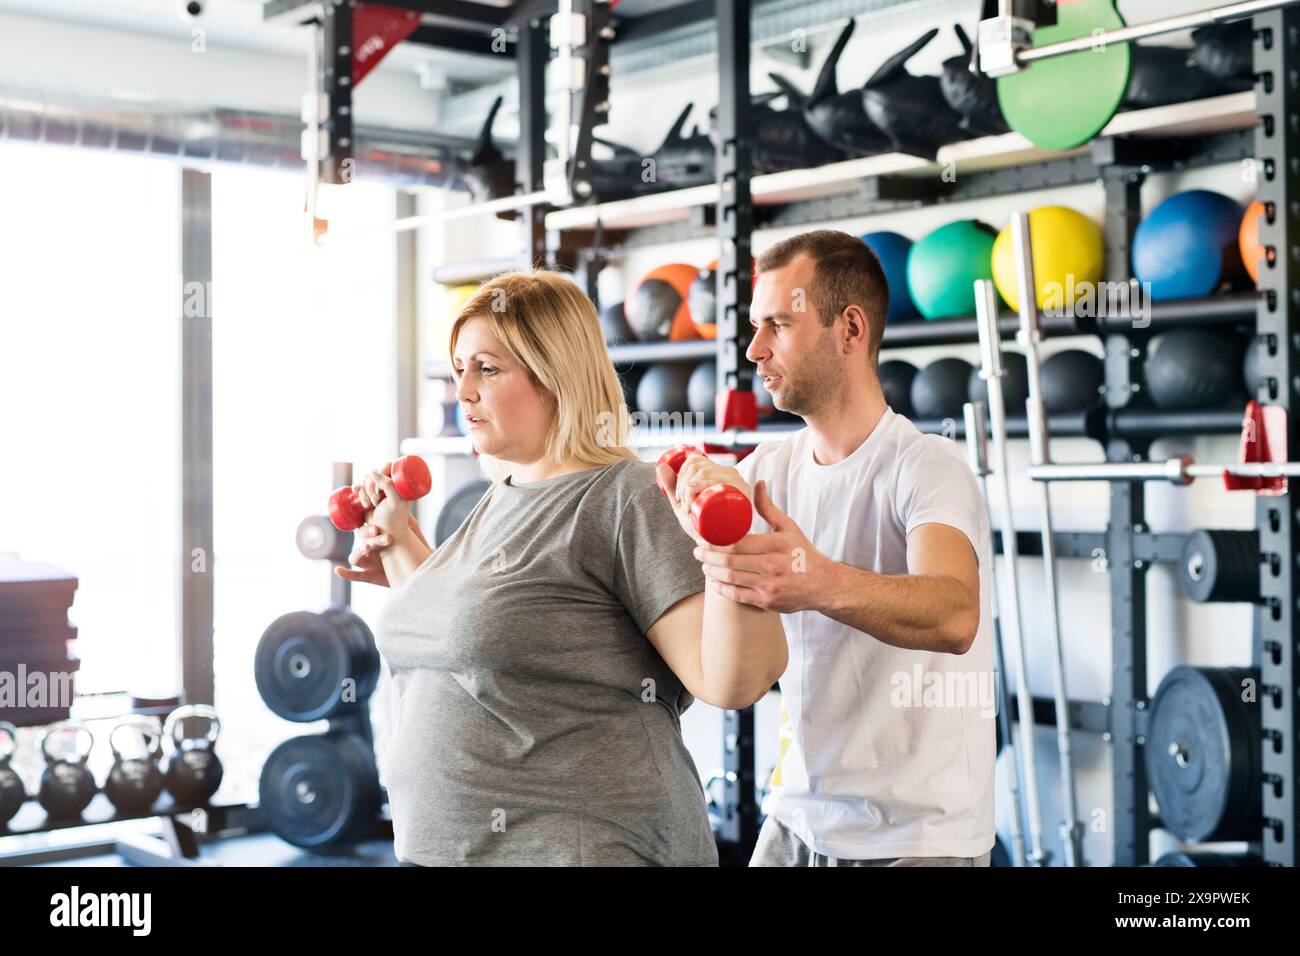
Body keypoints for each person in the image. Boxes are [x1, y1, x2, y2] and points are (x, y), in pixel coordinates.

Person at [338, 269, 787, 866]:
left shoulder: (625, 496)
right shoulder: (499, 494)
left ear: (556, 375)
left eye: (487, 369)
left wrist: (732, 546)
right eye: (458, 369)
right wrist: (397, 535)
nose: (462, 390)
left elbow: (731, 680)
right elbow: (474, 647)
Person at [685, 229, 995, 866]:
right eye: (753, 325)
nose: (754, 349)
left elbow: (955, 614)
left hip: (916, 839)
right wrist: (684, 488)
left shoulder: (927, 467)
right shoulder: (766, 468)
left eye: (777, 324)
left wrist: (814, 580)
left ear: (850, 328)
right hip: (796, 821)